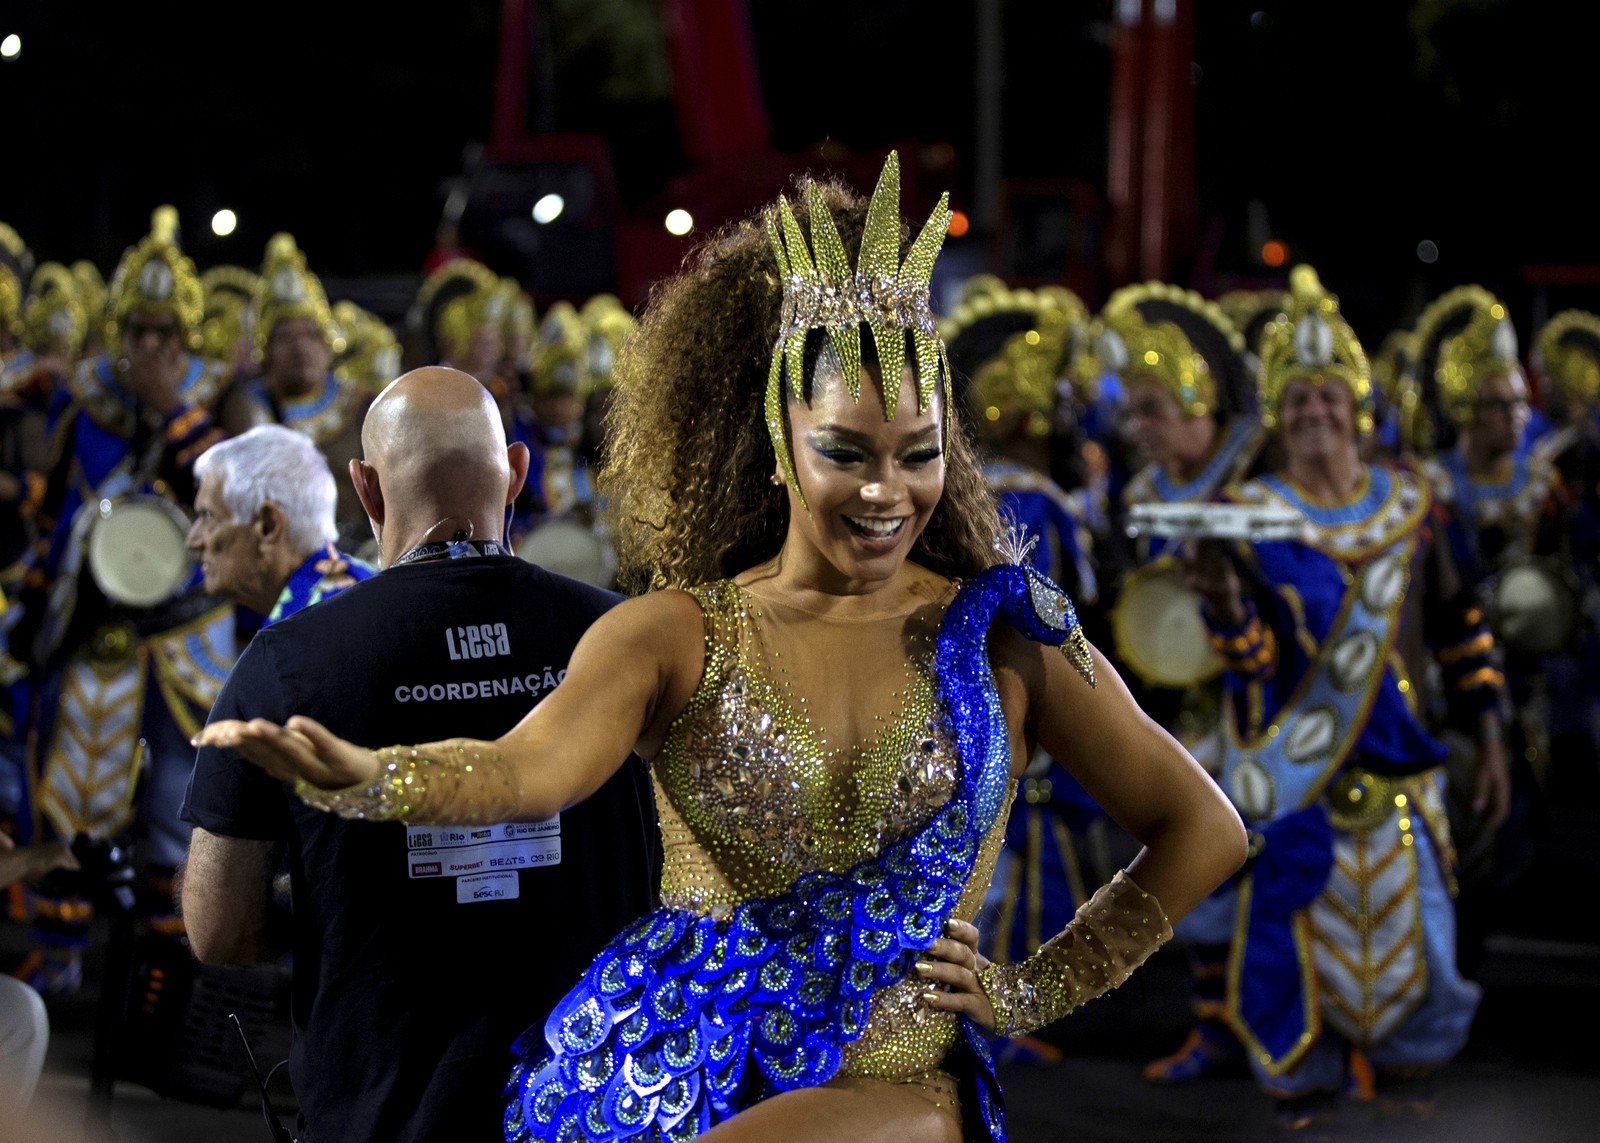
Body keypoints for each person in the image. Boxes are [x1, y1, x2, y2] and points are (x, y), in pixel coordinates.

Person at [195, 151, 1246, 1143]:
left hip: (894, 1099)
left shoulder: (1007, 634)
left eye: (916, 455)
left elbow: (1202, 826)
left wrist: (1033, 987)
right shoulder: (673, 634)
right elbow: (527, 770)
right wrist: (383, 778)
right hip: (667, 1079)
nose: (887, 494)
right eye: (846, 452)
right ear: (779, 441)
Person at [179, 366, 658, 1143]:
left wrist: (346, 912)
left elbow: (219, 924)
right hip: (601, 1109)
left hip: (382, 1116)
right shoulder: (628, 639)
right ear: (518, 472)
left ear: (366, 490)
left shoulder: (288, 663)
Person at [1182, 265, 1510, 1128]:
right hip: (1302, 783)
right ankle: (1311, 1085)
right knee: (1294, 959)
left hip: (1404, 781)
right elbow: (1249, 661)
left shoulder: (1416, 504)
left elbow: (1461, 631)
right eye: (1297, 399)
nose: (1314, 411)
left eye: (1328, 394)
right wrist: (1219, 600)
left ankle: (1399, 1083)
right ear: (1278, 415)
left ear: (1356, 405)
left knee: (1422, 956)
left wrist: (1496, 738)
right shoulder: (1247, 517)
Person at [12, 206, 234, 996]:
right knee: (77, 797)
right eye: (139, 330)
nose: (151, 346)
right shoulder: (83, 405)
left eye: (168, 333)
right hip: (99, 634)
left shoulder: (220, 399)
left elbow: (225, 492)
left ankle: (169, 984)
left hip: (186, 645)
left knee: (179, 815)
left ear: (188, 340)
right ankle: (59, 963)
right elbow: (53, 523)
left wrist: (170, 402)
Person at [1071, 282, 1262, 1085]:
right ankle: (1217, 1026)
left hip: (1254, 705)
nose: (1139, 429)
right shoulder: (1145, 490)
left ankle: (1264, 1024)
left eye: (1153, 410)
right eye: (1135, 412)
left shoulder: (1254, 479)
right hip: (1177, 705)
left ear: (1197, 400)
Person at [218, 233, 373, 552]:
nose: (301, 347)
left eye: (312, 335)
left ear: (329, 346)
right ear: (267, 351)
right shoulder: (244, 403)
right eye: (286, 337)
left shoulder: (362, 402)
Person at [186, 424, 375, 626]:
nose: (193, 541)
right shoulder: (363, 589)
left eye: (208, 516)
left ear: (269, 526)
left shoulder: (303, 635)